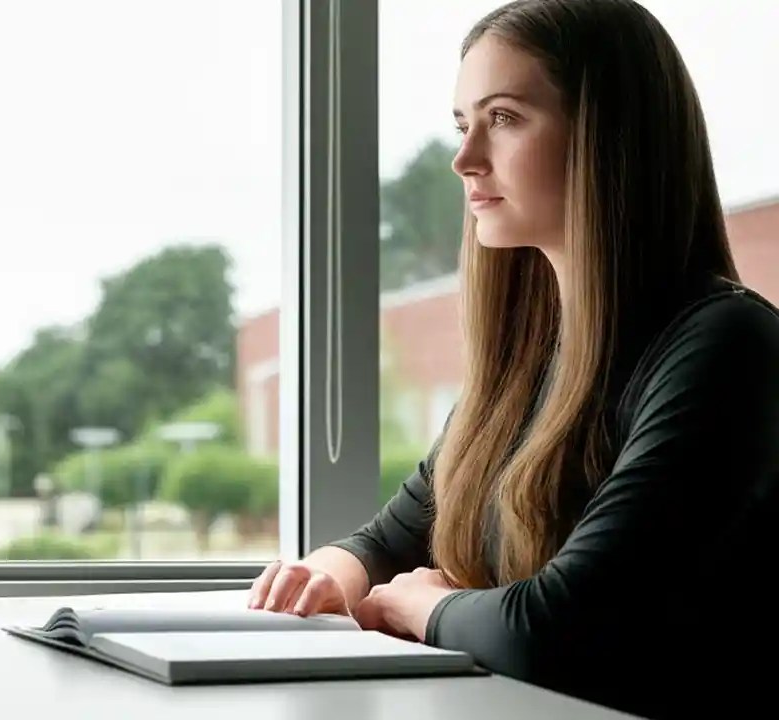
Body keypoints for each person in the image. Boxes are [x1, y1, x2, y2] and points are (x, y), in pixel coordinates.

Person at [248, 0, 779, 717]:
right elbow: (389, 539)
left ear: (608, 137)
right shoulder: (526, 364)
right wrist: (325, 576)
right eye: (464, 125)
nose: (465, 159)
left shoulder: (727, 348)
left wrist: (426, 608)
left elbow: (557, 629)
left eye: (503, 118)